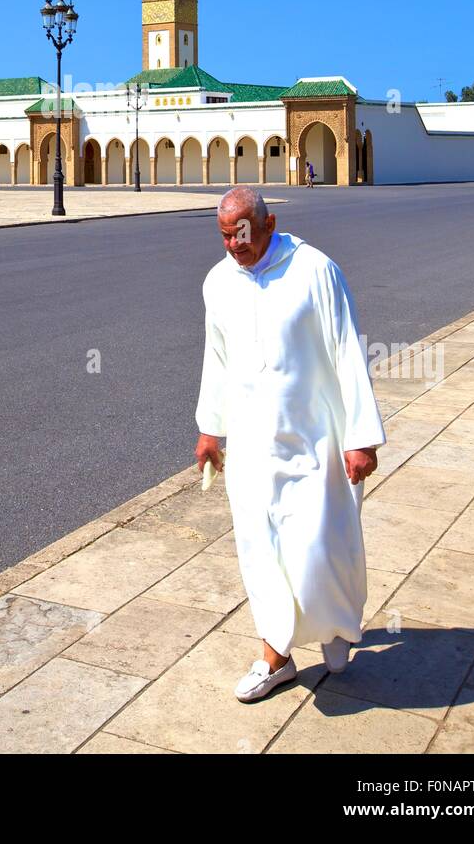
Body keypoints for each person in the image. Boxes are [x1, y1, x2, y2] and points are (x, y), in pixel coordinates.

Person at [194, 187, 385, 702]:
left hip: (317, 439)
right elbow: (218, 359)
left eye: (243, 231)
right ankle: (275, 656)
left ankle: (337, 628)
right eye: (225, 235)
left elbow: (347, 349)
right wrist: (211, 429)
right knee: (261, 549)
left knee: (319, 547)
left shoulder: (314, 270)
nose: (235, 244)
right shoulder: (218, 282)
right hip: (253, 446)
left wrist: (362, 437)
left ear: (268, 221)